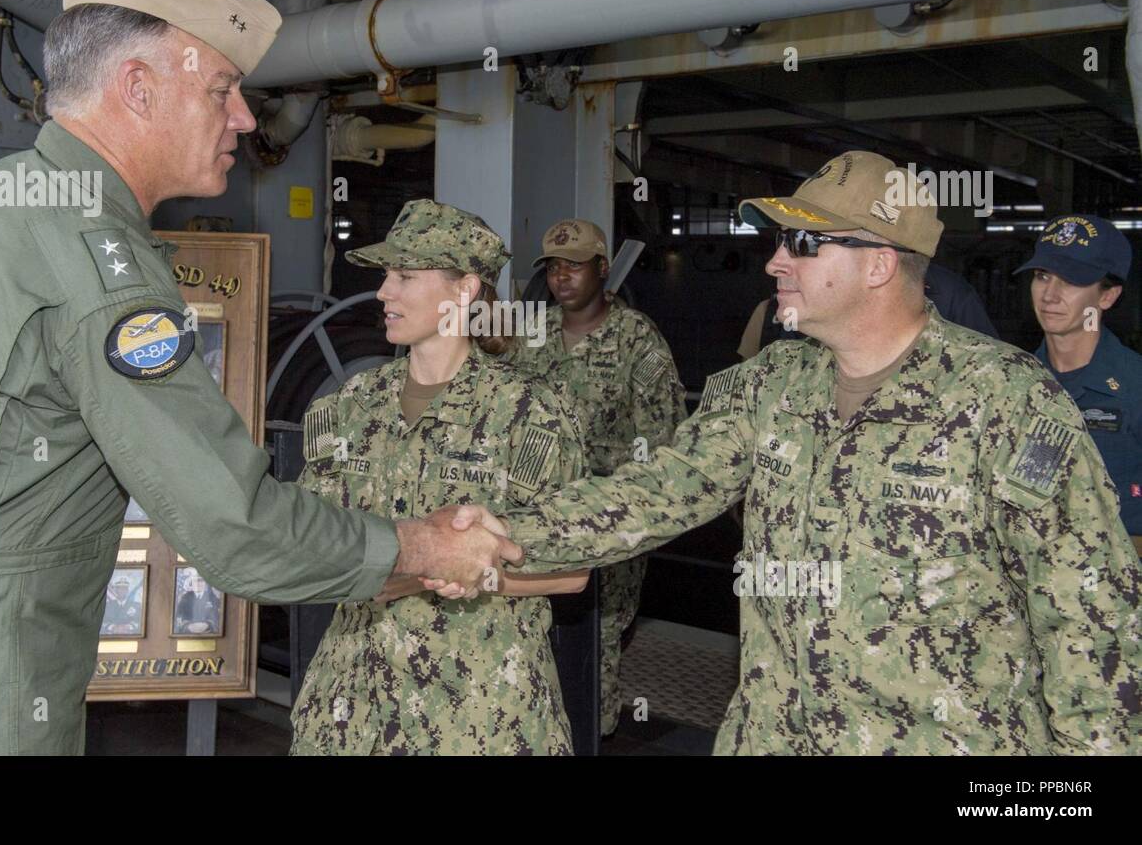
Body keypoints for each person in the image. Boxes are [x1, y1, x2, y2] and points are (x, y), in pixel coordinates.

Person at [0, 0, 516, 755]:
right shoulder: (100, 264)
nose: (245, 117)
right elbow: (237, 529)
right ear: (135, 88)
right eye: (224, 90)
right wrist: (424, 545)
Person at [434, 150, 1142, 755]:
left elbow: (1093, 624)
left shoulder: (1008, 401)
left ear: (879, 265)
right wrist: (489, 537)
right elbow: (653, 493)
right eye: (780, 240)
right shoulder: (766, 384)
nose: (775, 260)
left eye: (804, 244)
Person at [291, 200, 589, 755]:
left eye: (405, 276)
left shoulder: (528, 413)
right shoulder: (352, 403)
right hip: (349, 709)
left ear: (465, 290)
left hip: (477, 713)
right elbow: (313, 541)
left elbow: (572, 570)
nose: (384, 292)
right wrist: (426, 561)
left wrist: (472, 574)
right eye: (385, 276)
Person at [508, 219, 686, 737]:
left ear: (602, 269)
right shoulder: (533, 331)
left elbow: (664, 439)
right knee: (532, 626)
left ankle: (592, 734)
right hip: (535, 518)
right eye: (554, 267)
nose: (563, 277)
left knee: (600, 636)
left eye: (575, 265)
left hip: (607, 519)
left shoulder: (636, 339)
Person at [1017, 214, 1142, 551]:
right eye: (1043, 277)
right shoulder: (1013, 382)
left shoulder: (1134, 388)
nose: (1050, 295)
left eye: (1071, 281)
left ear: (1107, 297)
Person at [738, 261, 997, 360]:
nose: (775, 264)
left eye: (806, 244)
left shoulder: (950, 293)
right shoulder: (778, 313)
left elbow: (986, 359)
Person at [174, 569, 223, 635]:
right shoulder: (185, 598)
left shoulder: (212, 597)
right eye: (195, 581)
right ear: (191, 584)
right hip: (189, 633)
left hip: (208, 633)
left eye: (201, 581)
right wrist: (187, 626)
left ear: (205, 583)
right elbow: (179, 616)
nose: (198, 584)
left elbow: (218, 616)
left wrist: (208, 625)